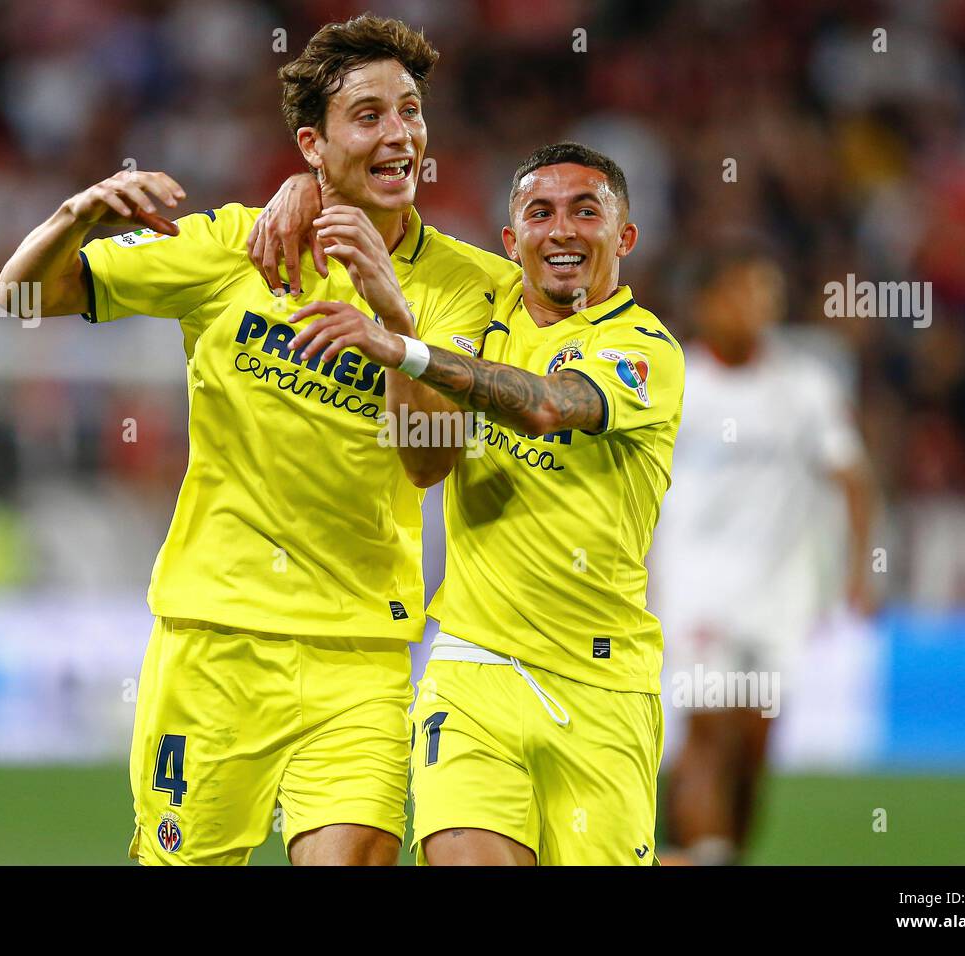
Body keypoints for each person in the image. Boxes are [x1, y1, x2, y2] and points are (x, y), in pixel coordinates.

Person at [0, 15, 496, 866]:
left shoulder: (471, 285)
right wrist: (77, 214)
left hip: (362, 646)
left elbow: (427, 462)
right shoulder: (236, 246)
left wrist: (393, 316)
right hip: (214, 635)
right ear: (314, 142)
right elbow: (16, 299)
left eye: (410, 111)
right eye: (369, 115)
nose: (400, 134)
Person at [281, 142, 685, 864]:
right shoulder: (479, 303)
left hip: (601, 685)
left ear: (624, 237)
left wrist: (406, 351)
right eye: (540, 213)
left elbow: (550, 408)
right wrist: (301, 191)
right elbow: (385, 214)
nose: (561, 230)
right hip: (472, 668)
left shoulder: (644, 349)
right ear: (511, 241)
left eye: (585, 211)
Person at [651, 244, 875, 865]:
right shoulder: (674, 382)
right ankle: (705, 851)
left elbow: (852, 478)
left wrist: (859, 571)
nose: (756, 307)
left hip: (779, 596)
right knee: (708, 727)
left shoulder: (805, 386)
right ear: (706, 303)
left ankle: (707, 851)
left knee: (753, 746)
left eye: (765, 293)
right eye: (741, 292)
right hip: (696, 587)